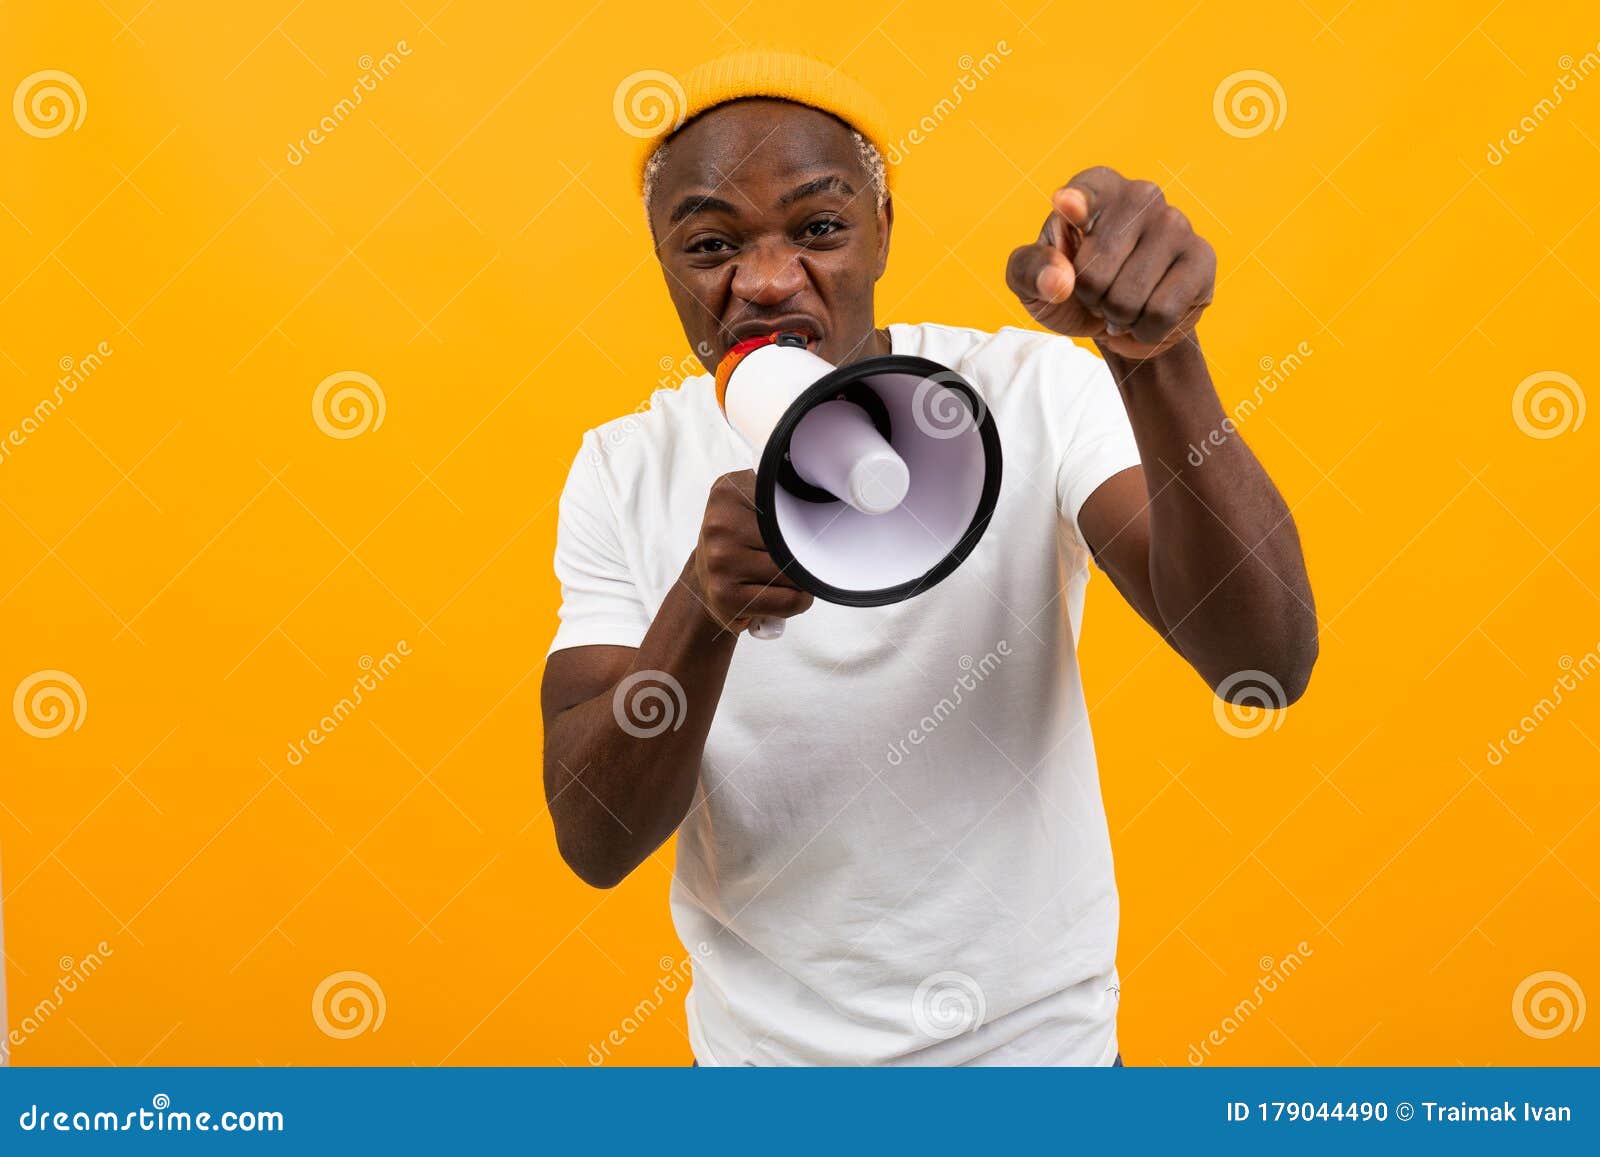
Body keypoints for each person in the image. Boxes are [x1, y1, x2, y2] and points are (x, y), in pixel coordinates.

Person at [540, 49, 1317, 1065]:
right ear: (662, 261)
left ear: (882, 230)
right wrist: (700, 609)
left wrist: (1153, 357)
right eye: (709, 243)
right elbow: (593, 840)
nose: (768, 281)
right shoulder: (623, 467)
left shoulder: (1028, 390)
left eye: (819, 227)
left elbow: (1262, 659)